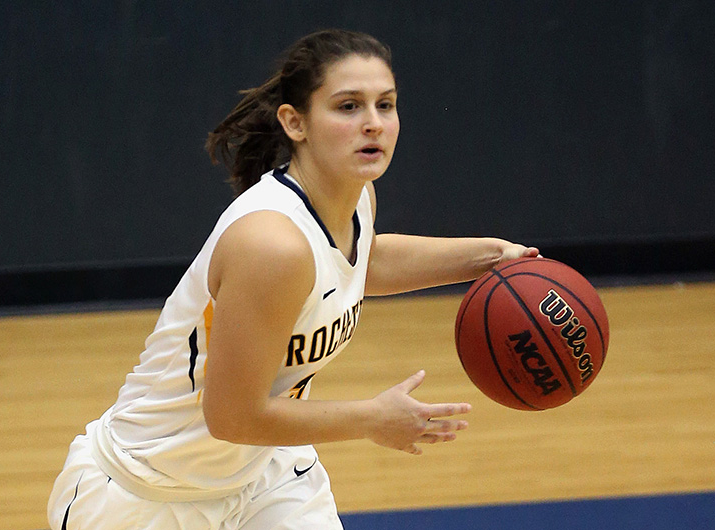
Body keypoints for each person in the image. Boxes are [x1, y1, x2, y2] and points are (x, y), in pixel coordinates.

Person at [47, 28, 539, 530]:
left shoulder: (355, 198)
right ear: (295, 122)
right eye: (349, 107)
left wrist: (490, 258)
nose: (373, 124)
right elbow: (233, 417)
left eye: (385, 105)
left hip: (266, 476)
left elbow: (359, 261)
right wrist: (374, 417)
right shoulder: (272, 247)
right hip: (145, 492)